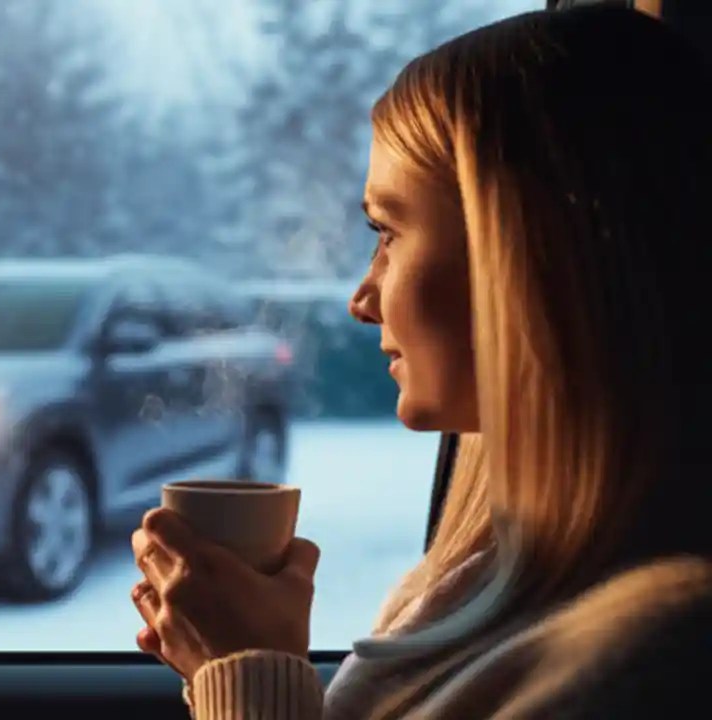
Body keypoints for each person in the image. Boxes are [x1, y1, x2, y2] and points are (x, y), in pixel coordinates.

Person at [129, 5, 712, 718]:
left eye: (387, 231)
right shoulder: (484, 584)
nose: (361, 299)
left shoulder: (650, 658)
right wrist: (260, 658)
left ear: (533, 255)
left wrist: (244, 676)